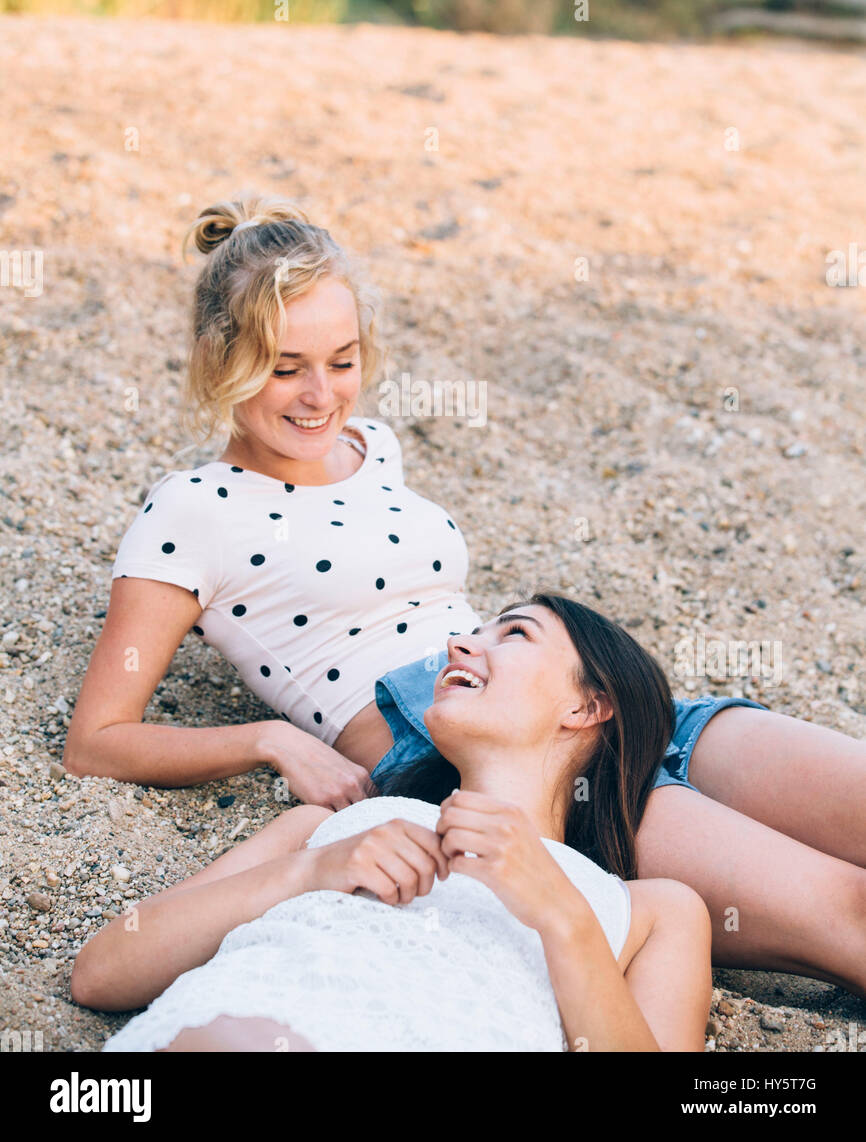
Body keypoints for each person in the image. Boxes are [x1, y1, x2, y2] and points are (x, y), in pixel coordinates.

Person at [64, 194, 866, 999]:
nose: (320, 395)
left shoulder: (372, 447)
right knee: (849, 916)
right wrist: (269, 739)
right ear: (219, 358)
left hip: (576, 688)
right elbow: (97, 739)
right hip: (490, 758)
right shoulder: (193, 509)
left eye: (341, 362)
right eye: (284, 368)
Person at [72, 597, 713, 1053]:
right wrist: (311, 870)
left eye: (513, 635)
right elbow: (101, 973)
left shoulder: (655, 910)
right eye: (470, 634)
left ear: (587, 704)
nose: (460, 647)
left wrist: (561, 916)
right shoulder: (327, 829)